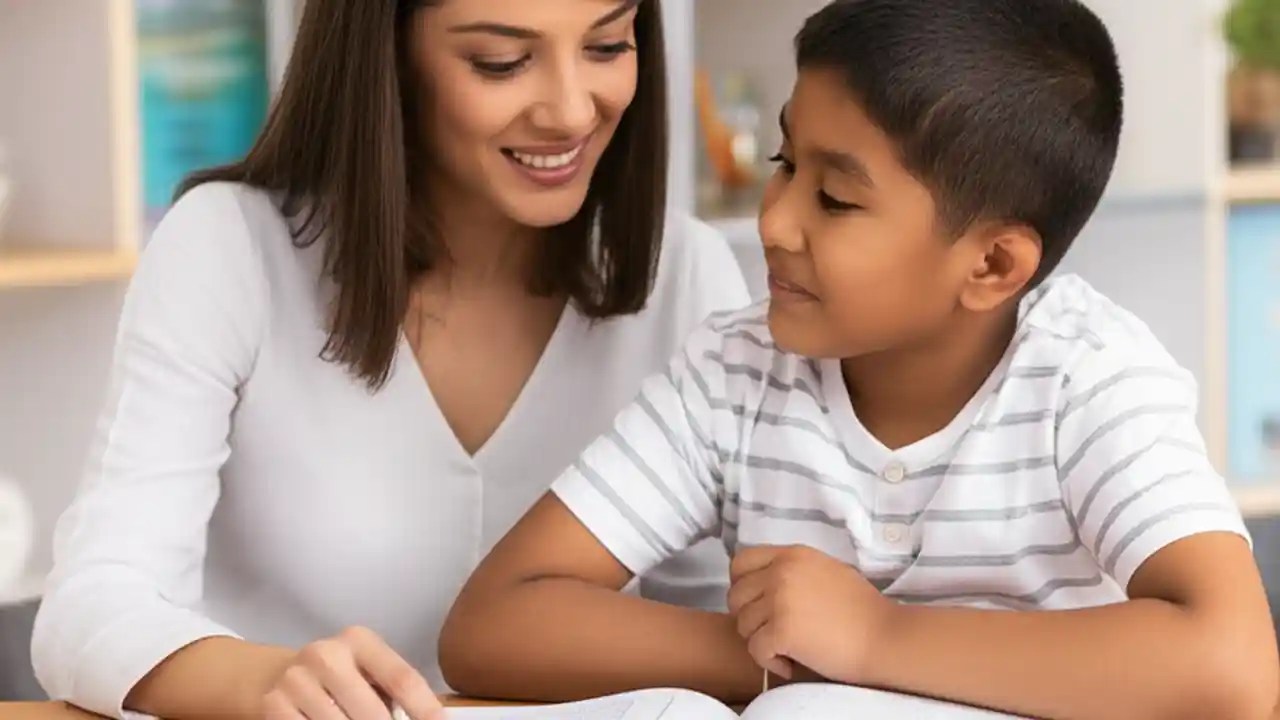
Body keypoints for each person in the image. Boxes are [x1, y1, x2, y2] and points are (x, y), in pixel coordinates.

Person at [439, 1, 1280, 718]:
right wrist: (780, 653)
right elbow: (493, 624)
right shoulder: (738, 373)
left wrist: (881, 636)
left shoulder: (1087, 377)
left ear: (991, 267)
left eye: (835, 199)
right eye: (785, 163)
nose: (775, 221)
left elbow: (1236, 669)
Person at [30, 1, 749, 718]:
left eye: (606, 47)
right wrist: (263, 682)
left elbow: (730, 628)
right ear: (385, 55)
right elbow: (93, 604)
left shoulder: (683, 275)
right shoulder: (228, 248)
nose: (569, 111)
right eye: (501, 62)